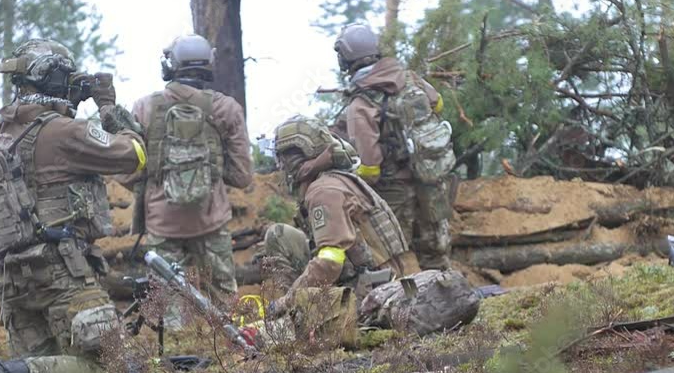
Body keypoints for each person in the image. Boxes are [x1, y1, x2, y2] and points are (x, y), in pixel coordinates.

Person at [0, 39, 146, 373]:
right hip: (63, 274)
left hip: (12, 282)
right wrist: (107, 105)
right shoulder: (64, 132)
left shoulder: (3, 133)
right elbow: (134, 156)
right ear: (54, 78)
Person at [126, 34, 253, 303]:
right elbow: (242, 176)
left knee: (168, 310)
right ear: (208, 64)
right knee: (225, 308)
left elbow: (127, 171)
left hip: (162, 223)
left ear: (170, 65)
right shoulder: (226, 108)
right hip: (212, 220)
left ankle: (175, 344)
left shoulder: (144, 108)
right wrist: (209, 176)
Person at [261, 116, 414, 319]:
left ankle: (294, 318)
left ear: (296, 158)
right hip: (380, 281)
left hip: (373, 293)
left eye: (283, 159)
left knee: (279, 236)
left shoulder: (323, 191)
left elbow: (330, 262)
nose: (281, 167)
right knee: (279, 235)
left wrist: (288, 301)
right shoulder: (335, 180)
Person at [335, 23, 453, 270]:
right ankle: (449, 297)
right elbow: (438, 104)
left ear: (346, 58)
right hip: (432, 177)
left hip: (395, 189)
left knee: (388, 258)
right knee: (435, 252)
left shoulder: (361, 103)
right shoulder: (410, 77)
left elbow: (370, 169)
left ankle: (395, 304)